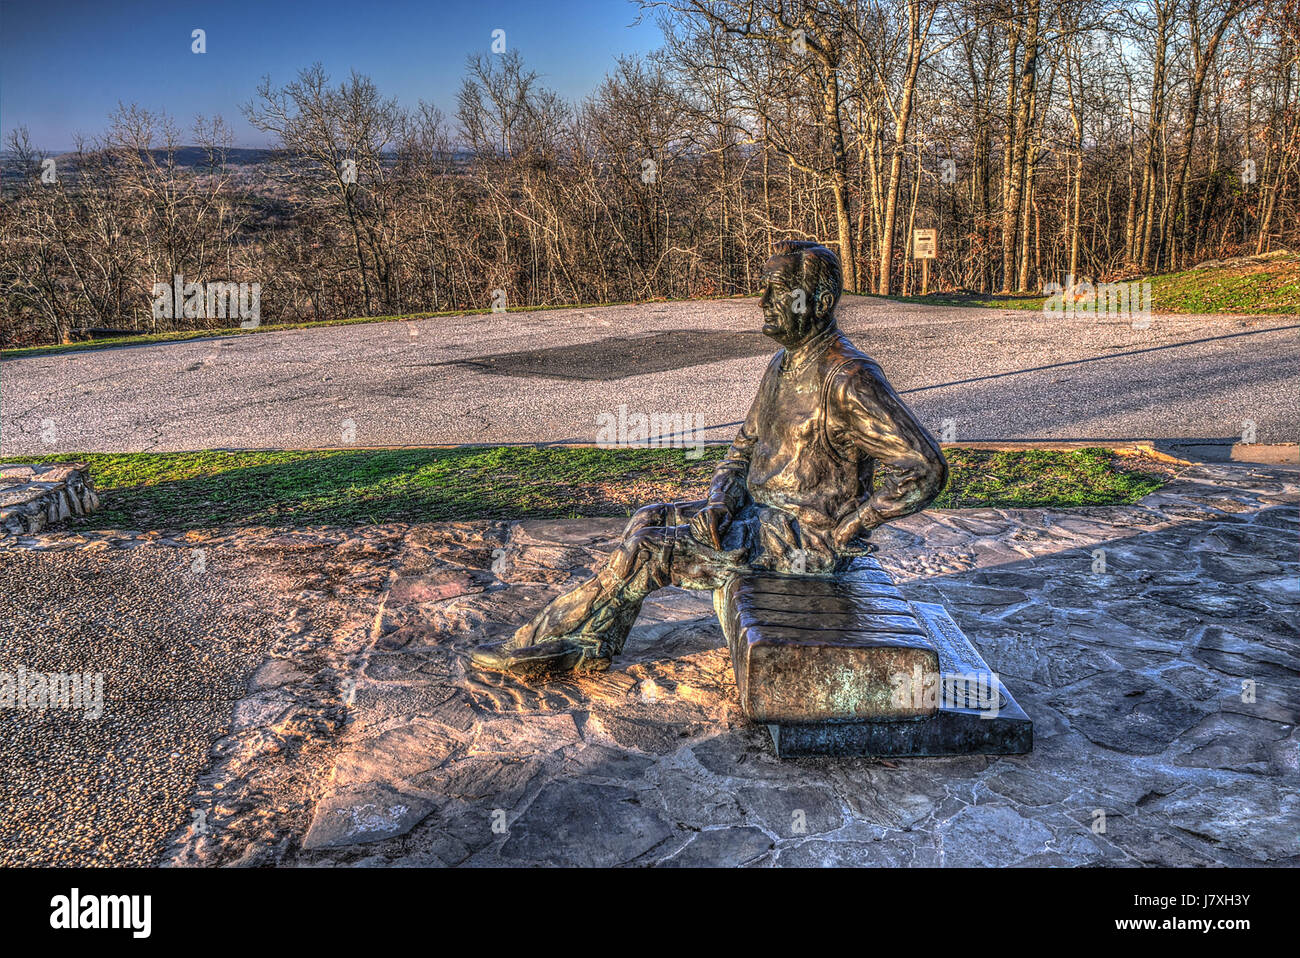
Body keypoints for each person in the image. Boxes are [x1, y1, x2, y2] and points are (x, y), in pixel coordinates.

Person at [470, 240, 948, 676]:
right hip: (758, 516)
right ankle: (590, 637)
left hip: (802, 540)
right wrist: (721, 498)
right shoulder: (785, 363)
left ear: (820, 303)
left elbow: (924, 467)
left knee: (651, 549)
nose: (762, 303)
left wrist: (850, 528)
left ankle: (554, 645)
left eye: (778, 291)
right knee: (647, 518)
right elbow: (742, 448)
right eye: (764, 289)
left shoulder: (847, 379)